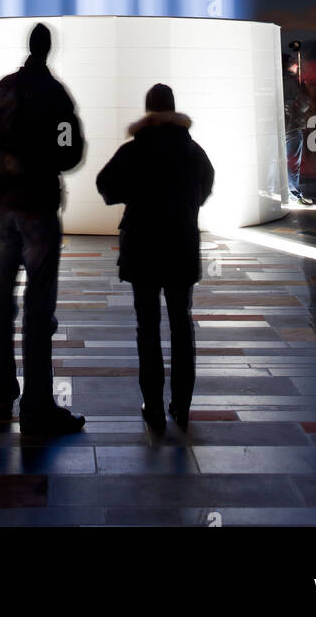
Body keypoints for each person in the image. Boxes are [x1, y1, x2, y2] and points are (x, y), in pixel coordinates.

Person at [0, 22, 85, 435]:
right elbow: (70, 151)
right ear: (50, 48)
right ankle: (38, 408)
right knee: (39, 307)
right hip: (38, 207)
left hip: (2, 207)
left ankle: (2, 392)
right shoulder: (54, 92)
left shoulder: (4, 86)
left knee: (1, 298)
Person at [96, 83, 214, 434]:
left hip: (143, 246)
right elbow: (205, 187)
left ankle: (154, 406)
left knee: (146, 327)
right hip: (181, 244)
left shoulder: (134, 150)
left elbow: (106, 187)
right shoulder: (193, 151)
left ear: (148, 111)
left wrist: (134, 195)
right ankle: (182, 405)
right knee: (181, 324)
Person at [283, 55, 313, 205]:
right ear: (296, 65)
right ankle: (294, 195)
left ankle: (286, 193)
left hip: (281, 126)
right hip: (293, 126)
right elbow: (304, 104)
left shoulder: (279, 80)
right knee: (293, 163)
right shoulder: (296, 82)